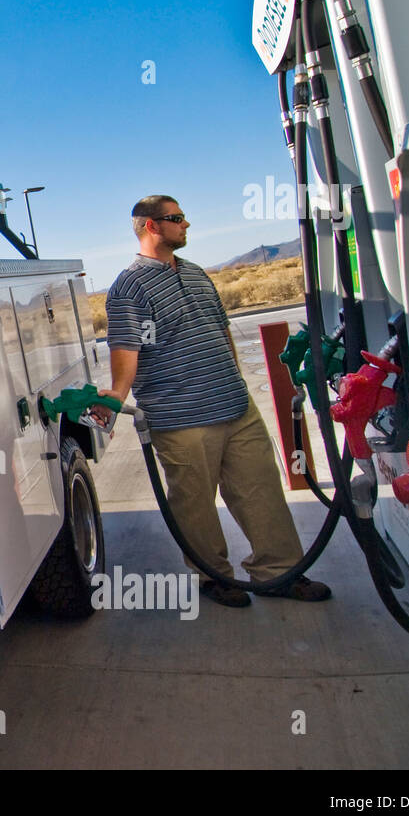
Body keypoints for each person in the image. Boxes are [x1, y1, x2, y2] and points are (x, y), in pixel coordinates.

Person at [92, 195, 331, 608]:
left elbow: (222, 333)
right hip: (181, 419)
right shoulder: (129, 287)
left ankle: (278, 573)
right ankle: (214, 577)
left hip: (236, 407)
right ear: (151, 226)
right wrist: (116, 396)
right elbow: (126, 353)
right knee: (195, 507)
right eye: (176, 218)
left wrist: (236, 381)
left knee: (261, 491)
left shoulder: (196, 273)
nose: (186, 224)